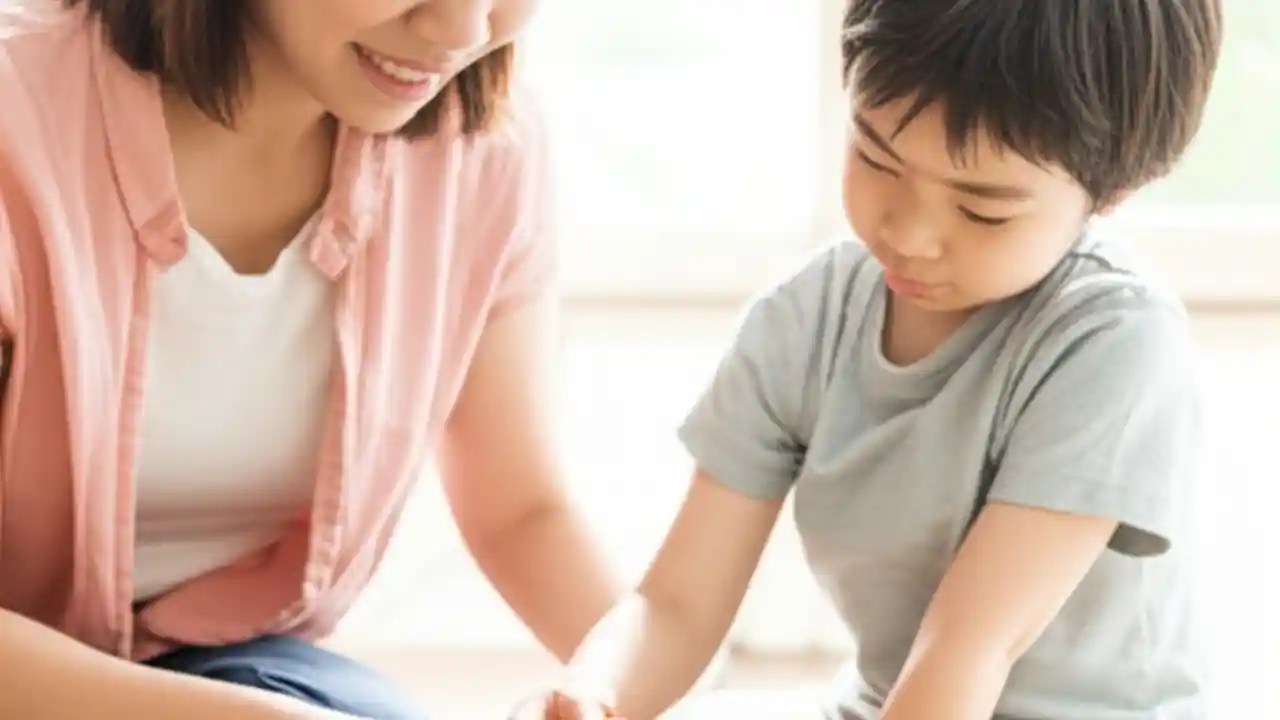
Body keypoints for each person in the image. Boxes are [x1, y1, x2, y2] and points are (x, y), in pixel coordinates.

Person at [529, 0, 1223, 718]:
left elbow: (968, 646)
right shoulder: (807, 318)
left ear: (1113, 190)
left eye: (981, 210)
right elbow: (676, 604)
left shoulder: (1115, 342)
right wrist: (594, 693)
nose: (909, 233)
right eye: (876, 158)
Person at [0, 1, 620, 718]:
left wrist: (643, 689)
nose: (463, 31)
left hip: (227, 668)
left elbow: (523, 512)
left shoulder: (480, 153)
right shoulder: (19, 119)